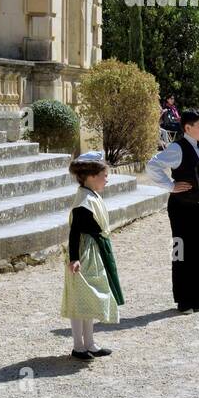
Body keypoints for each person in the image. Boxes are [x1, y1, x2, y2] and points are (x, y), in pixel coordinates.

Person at [145, 109, 199, 315]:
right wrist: (170, 185)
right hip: (182, 209)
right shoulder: (178, 148)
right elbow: (153, 165)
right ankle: (184, 301)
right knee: (182, 252)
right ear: (187, 128)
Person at [61, 151, 123, 360]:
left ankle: (90, 343)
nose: (107, 179)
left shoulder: (91, 196)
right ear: (91, 176)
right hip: (84, 254)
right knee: (81, 299)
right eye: (104, 175)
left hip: (94, 251)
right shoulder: (83, 202)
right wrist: (74, 258)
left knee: (90, 299)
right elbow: (74, 231)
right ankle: (78, 346)